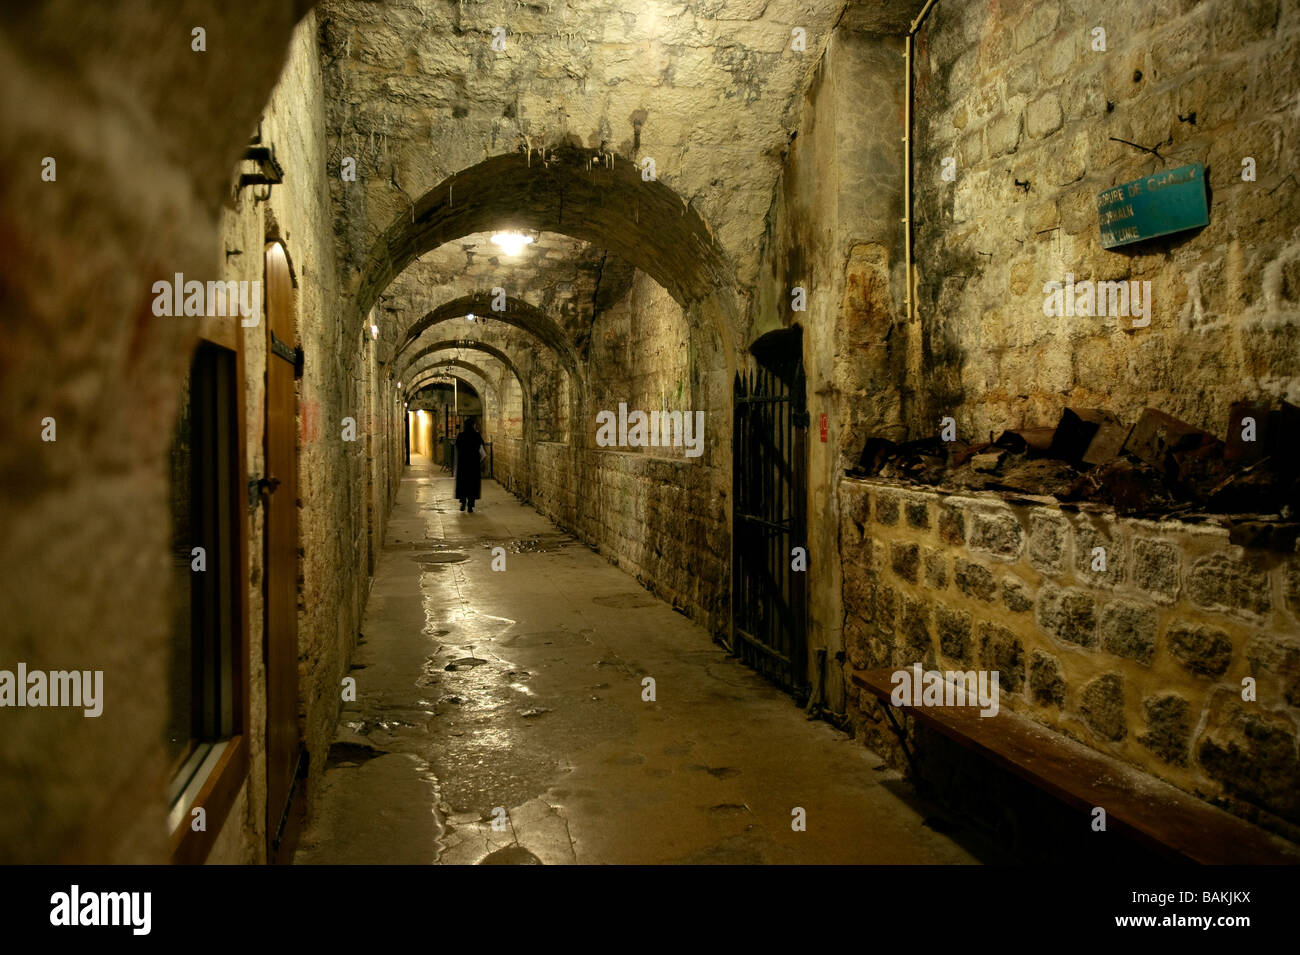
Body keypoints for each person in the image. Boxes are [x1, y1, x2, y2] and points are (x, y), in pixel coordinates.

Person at [454, 417, 485, 512]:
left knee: (463, 483)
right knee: (472, 483)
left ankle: (463, 502)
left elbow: (457, 447)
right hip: (473, 464)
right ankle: (470, 505)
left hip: (463, 463)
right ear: (473, 425)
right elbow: (481, 447)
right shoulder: (476, 435)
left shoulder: (461, 435)